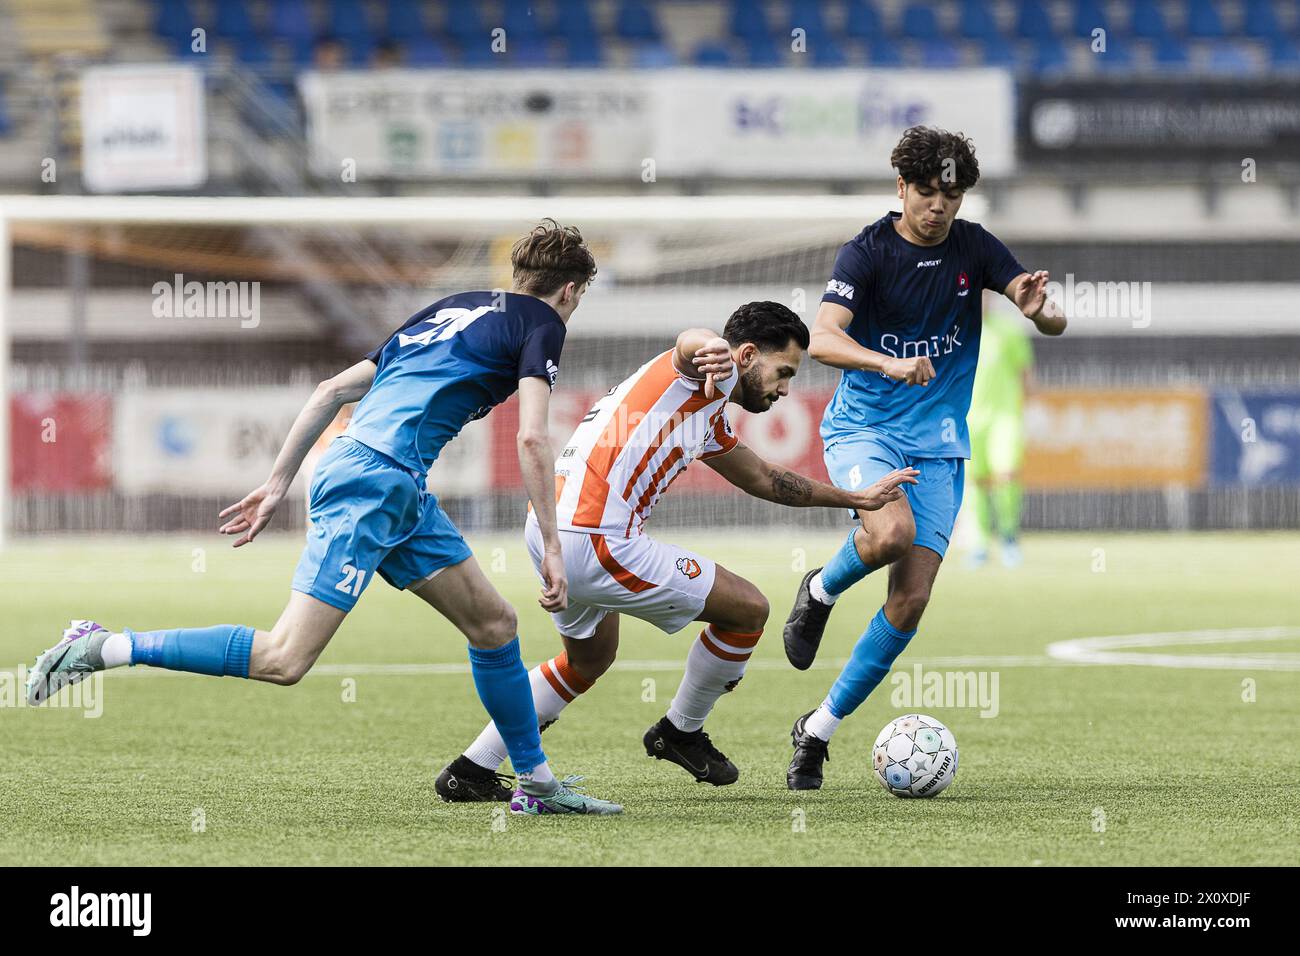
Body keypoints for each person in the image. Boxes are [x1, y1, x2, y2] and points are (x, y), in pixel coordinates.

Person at [26, 219, 621, 816]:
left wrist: (278, 481)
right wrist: (550, 542)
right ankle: (105, 646)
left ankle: (536, 786)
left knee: (494, 625)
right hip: (374, 485)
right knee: (284, 658)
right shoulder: (542, 322)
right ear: (569, 291)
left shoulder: (455, 306)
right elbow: (533, 441)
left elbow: (330, 390)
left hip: (389, 483)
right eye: (578, 298)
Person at [435, 301, 918, 801]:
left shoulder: (707, 415)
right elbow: (689, 345)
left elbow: (766, 480)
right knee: (749, 611)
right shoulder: (698, 372)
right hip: (595, 537)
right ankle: (680, 730)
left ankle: (471, 768)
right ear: (746, 354)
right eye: (783, 373)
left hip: (552, 529)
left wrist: (856, 498)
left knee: (588, 659)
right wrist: (709, 347)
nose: (784, 390)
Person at [782, 126, 1067, 791]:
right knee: (889, 531)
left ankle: (816, 731)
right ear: (902, 188)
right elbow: (822, 338)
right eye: (929, 193)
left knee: (909, 601)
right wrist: (887, 361)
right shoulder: (867, 252)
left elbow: (1050, 318)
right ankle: (820, 590)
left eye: (952, 195)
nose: (940, 207)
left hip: (939, 447)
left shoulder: (975, 247)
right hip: (864, 430)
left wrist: (1037, 311)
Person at [967, 298, 1035, 568]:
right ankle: (980, 543)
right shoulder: (957, 332)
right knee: (977, 482)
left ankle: (1009, 537)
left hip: (1005, 418)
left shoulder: (1009, 330)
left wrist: (1032, 413)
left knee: (1006, 474)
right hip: (969, 420)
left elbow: (1026, 375)